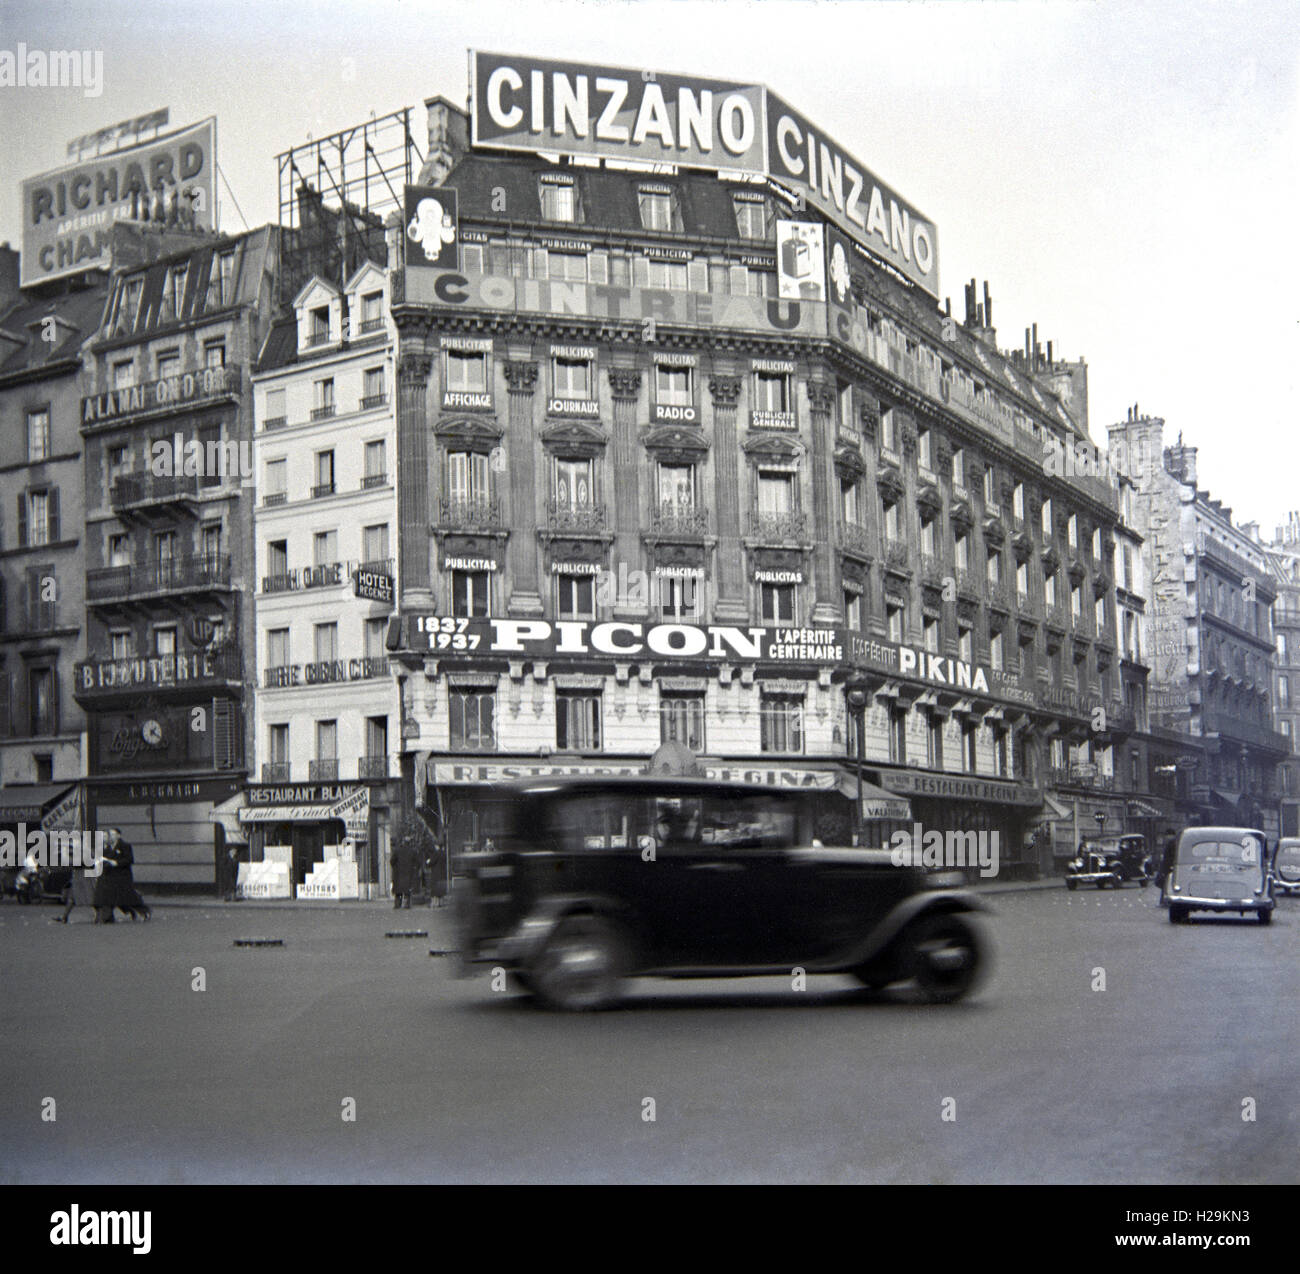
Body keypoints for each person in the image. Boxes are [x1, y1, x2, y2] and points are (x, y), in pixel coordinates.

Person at [92, 828, 150, 923]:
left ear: (119, 835)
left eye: (113, 834)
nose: (111, 836)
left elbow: (129, 859)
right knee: (109, 896)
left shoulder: (125, 846)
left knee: (127, 896)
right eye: (110, 835)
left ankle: (143, 911)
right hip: (110, 876)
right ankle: (107, 917)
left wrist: (116, 862)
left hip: (122, 876)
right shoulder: (108, 848)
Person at [391, 832, 419, 910]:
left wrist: (396, 867)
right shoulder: (413, 851)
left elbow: (392, 861)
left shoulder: (397, 850)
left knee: (398, 891)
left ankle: (397, 904)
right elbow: (417, 862)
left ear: (403, 842)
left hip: (398, 874)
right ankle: (407, 904)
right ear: (410, 842)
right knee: (407, 890)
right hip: (408, 873)